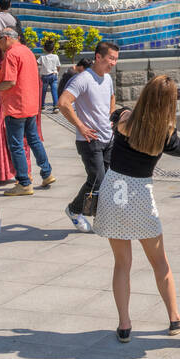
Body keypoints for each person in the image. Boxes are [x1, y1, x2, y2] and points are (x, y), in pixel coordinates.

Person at [92, 74, 180, 342]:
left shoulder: (124, 119)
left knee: (122, 263)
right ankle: (174, 317)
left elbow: (114, 113)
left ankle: (124, 325)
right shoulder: (164, 133)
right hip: (139, 194)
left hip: (114, 190)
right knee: (160, 263)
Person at [0, 27, 55, 196]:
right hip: (30, 103)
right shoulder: (27, 51)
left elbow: (10, 82)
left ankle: (23, 183)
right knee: (34, 140)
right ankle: (47, 173)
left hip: (16, 105)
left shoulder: (11, 54)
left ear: (6, 38)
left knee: (16, 145)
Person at [59, 41, 119, 232]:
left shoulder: (107, 78)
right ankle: (74, 210)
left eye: (116, 59)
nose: (113, 63)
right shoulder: (83, 79)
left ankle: (101, 216)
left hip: (108, 138)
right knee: (97, 180)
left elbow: (111, 97)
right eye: (111, 58)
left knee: (107, 181)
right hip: (89, 140)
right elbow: (63, 103)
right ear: (98, 57)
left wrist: (112, 117)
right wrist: (81, 126)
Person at [38, 39, 61, 112]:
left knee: (43, 91)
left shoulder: (42, 57)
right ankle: (56, 106)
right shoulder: (55, 56)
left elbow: (37, 63)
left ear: (44, 48)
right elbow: (58, 66)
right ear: (53, 48)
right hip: (53, 75)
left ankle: (42, 106)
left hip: (44, 76)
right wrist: (57, 71)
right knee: (54, 91)